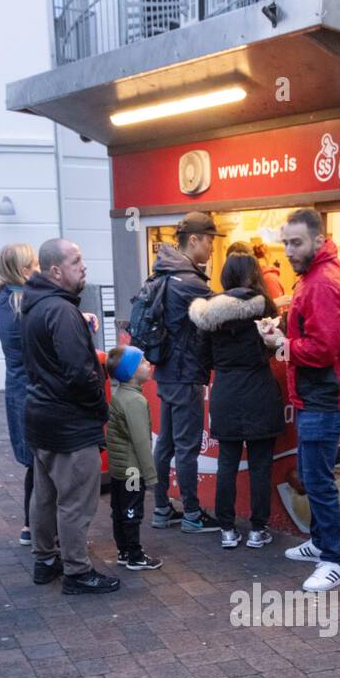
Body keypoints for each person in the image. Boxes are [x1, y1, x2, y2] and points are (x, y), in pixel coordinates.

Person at [259, 208, 340, 593]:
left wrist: (282, 343)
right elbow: (318, 336)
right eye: (285, 242)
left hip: (324, 395)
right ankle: (320, 544)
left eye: (296, 242)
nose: (288, 250)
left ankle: (334, 560)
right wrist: (283, 331)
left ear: (318, 240)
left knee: (318, 480)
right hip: (321, 393)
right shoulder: (318, 276)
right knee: (316, 476)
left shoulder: (321, 281)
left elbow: (324, 348)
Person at [20, 238, 119, 595]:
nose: (84, 266)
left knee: (45, 495)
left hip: (41, 417)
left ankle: (45, 560)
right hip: (69, 423)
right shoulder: (61, 311)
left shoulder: (32, 306)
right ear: (55, 271)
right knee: (75, 500)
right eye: (76, 261)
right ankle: (77, 571)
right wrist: (99, 408)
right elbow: (80, 372)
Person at [189, 251, 285, 549]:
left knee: (226, 464)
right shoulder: (265, 307)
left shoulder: (210, 314)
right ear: (254, 274)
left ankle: (227, 530)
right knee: (260, 465)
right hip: (260, 388)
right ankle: (258, 530)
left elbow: (201, 357)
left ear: (226, 276)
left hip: (226, 391)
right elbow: (275, 347)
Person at [149, 212, 222, 534]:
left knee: (165, 443)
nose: (212, 249)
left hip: (166, 371)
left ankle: (162, 508)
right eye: (209, 241)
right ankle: (192, 513)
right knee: (187, 446)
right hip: (185, 373)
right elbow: (220, 313)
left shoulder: (165, 273)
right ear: (194, 240)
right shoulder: (189, 282)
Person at [0, 243, 38, 546]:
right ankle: (38, 529)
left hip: (18, 390)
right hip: (30, 393)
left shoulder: (5, 299)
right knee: (41, 465)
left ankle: (30, 525)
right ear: (23, 271)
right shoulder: (22, 304)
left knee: (35, 465)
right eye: (35, 265)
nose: (40, 270)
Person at [104, 345, 160, 571]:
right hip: (132, 470)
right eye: (143, 362)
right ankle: (135, 556)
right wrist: (151, 476)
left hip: (119, 467)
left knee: (118, 509)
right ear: (131, 372)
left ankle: (123, 551)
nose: (149, 365)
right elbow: (140, 442)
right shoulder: (135, 402)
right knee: (132, 511)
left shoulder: (121, 394)